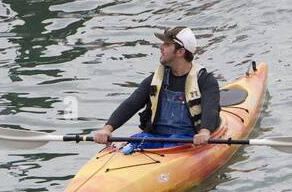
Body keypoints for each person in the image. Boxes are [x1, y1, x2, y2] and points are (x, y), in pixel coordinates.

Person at [92, 27, 221, 148]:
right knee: (132, 144)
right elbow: (132, 104)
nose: (161, 47)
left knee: (173, 141)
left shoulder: (205, 80)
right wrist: (107, 129)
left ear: (180, 52)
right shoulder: (156, 79)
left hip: (187, 139)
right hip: (154, 137)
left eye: (167, 44)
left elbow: (211, 110)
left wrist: (204, 132)